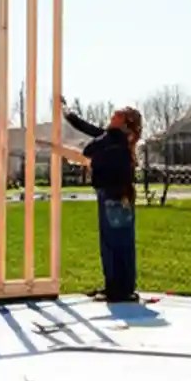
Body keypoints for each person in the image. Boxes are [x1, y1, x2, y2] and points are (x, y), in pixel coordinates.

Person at [46, 99, 144, 303]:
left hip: (112, 197)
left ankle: (117, 290)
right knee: (123, 243)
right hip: (121, 197)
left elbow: (89, 150)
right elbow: (89, 128)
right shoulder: (119, 138)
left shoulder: (112, 138)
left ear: (124, 123)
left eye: (116, 116)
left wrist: (65, 149)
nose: (111, 117)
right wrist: (68, 113)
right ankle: (122, 288)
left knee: (112, 244)